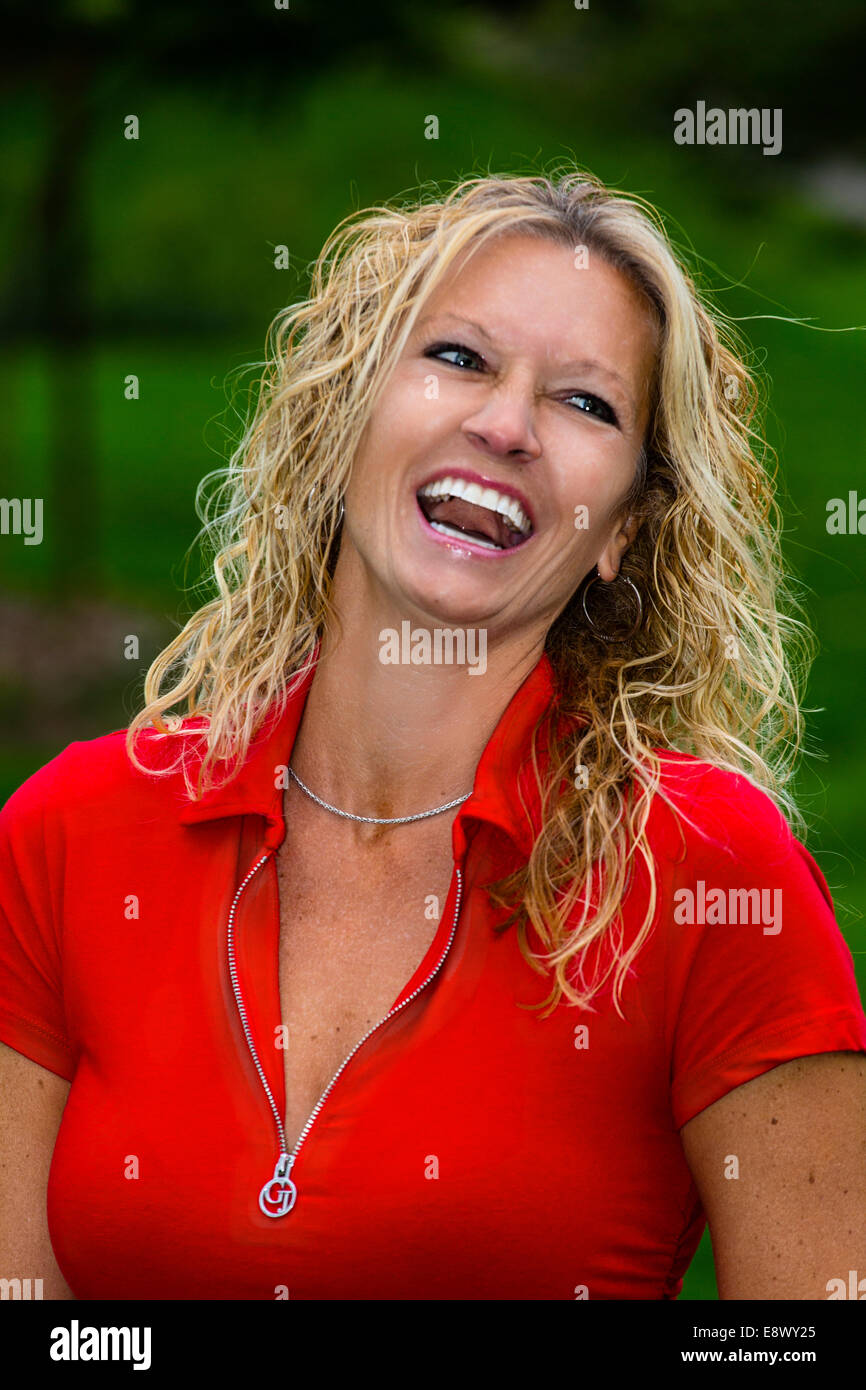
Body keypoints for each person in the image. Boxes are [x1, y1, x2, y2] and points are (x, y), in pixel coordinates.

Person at [1, 169, 864, 1301]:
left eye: (584, 403)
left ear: (620, 528)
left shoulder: (706, 878)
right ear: (345, 408)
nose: (504, 426)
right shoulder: (71, 833)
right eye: (457, 358)